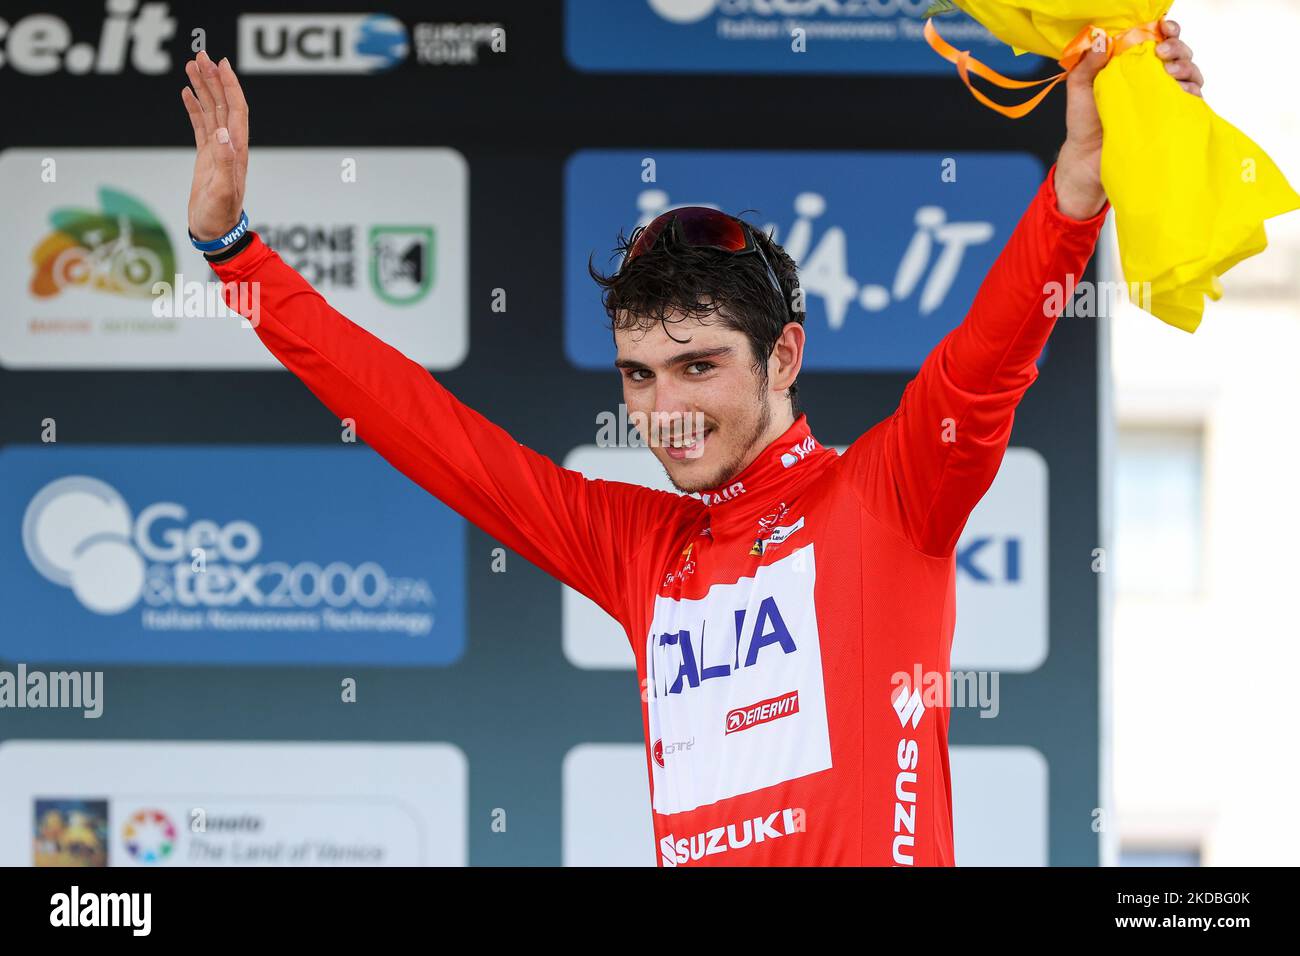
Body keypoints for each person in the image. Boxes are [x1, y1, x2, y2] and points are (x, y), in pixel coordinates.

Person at [179, 24, 1203, 866]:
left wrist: (1075, 190)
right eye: (638, 372)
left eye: (698, 365)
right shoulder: (637, 547)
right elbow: (423, 426)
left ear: (783, 355)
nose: (663, 407)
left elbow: (987, 360)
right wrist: (236, 255)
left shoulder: (890, 492)